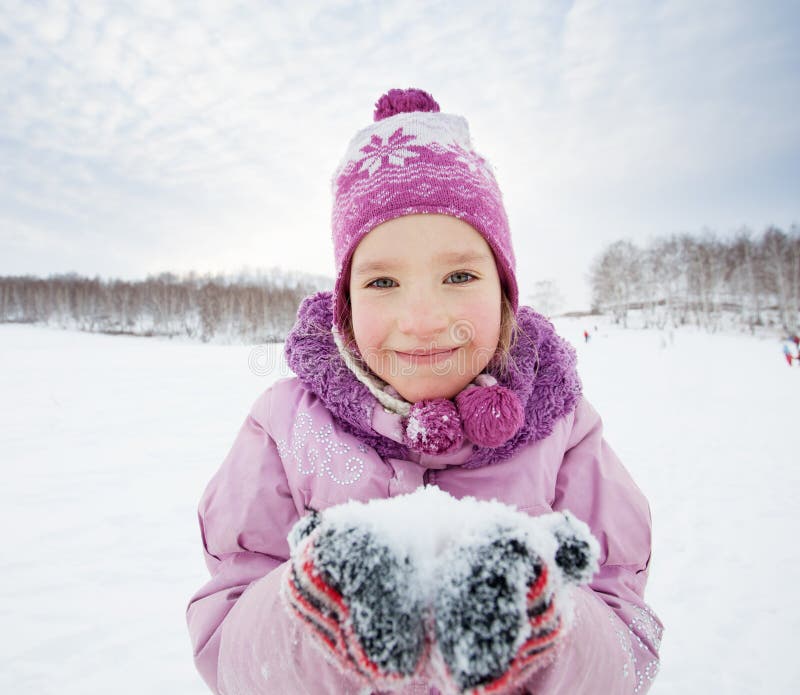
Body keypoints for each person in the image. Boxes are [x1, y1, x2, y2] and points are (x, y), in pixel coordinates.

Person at [186, 88, 663, 694]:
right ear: (346, 302)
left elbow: (628, 649)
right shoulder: (285, 426)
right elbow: (226, 647)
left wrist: (542, 620)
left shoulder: (564, 431)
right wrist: (317, 610)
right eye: (382, 280)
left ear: (504, 290)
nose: (422, 317)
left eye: (459, 275)